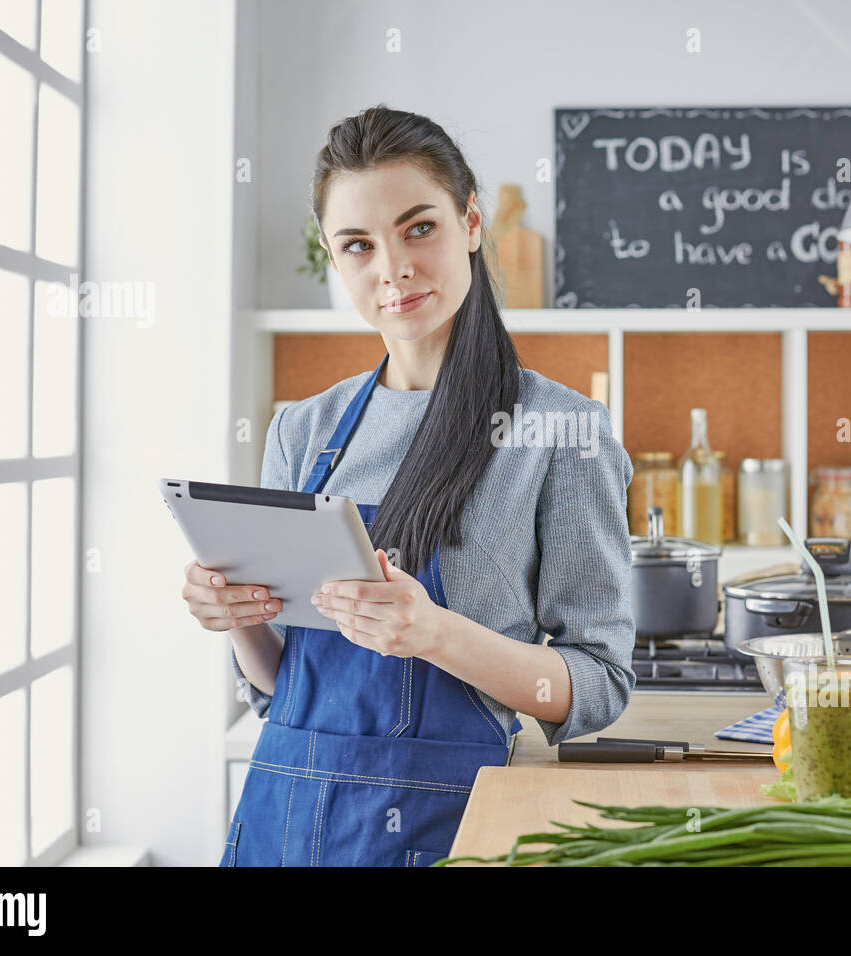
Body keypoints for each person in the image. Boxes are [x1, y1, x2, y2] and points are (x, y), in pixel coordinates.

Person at [181, 105, 636, 866]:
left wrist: (436, 635)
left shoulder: (563, 432)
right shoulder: (304, 431)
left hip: (455, 832)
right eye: (358, 245)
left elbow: (596, 687)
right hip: (287, 824)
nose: (390, 267)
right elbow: (279, 688)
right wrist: (237, 614)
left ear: (471, 224)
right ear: (335, 259)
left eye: (418, 228)